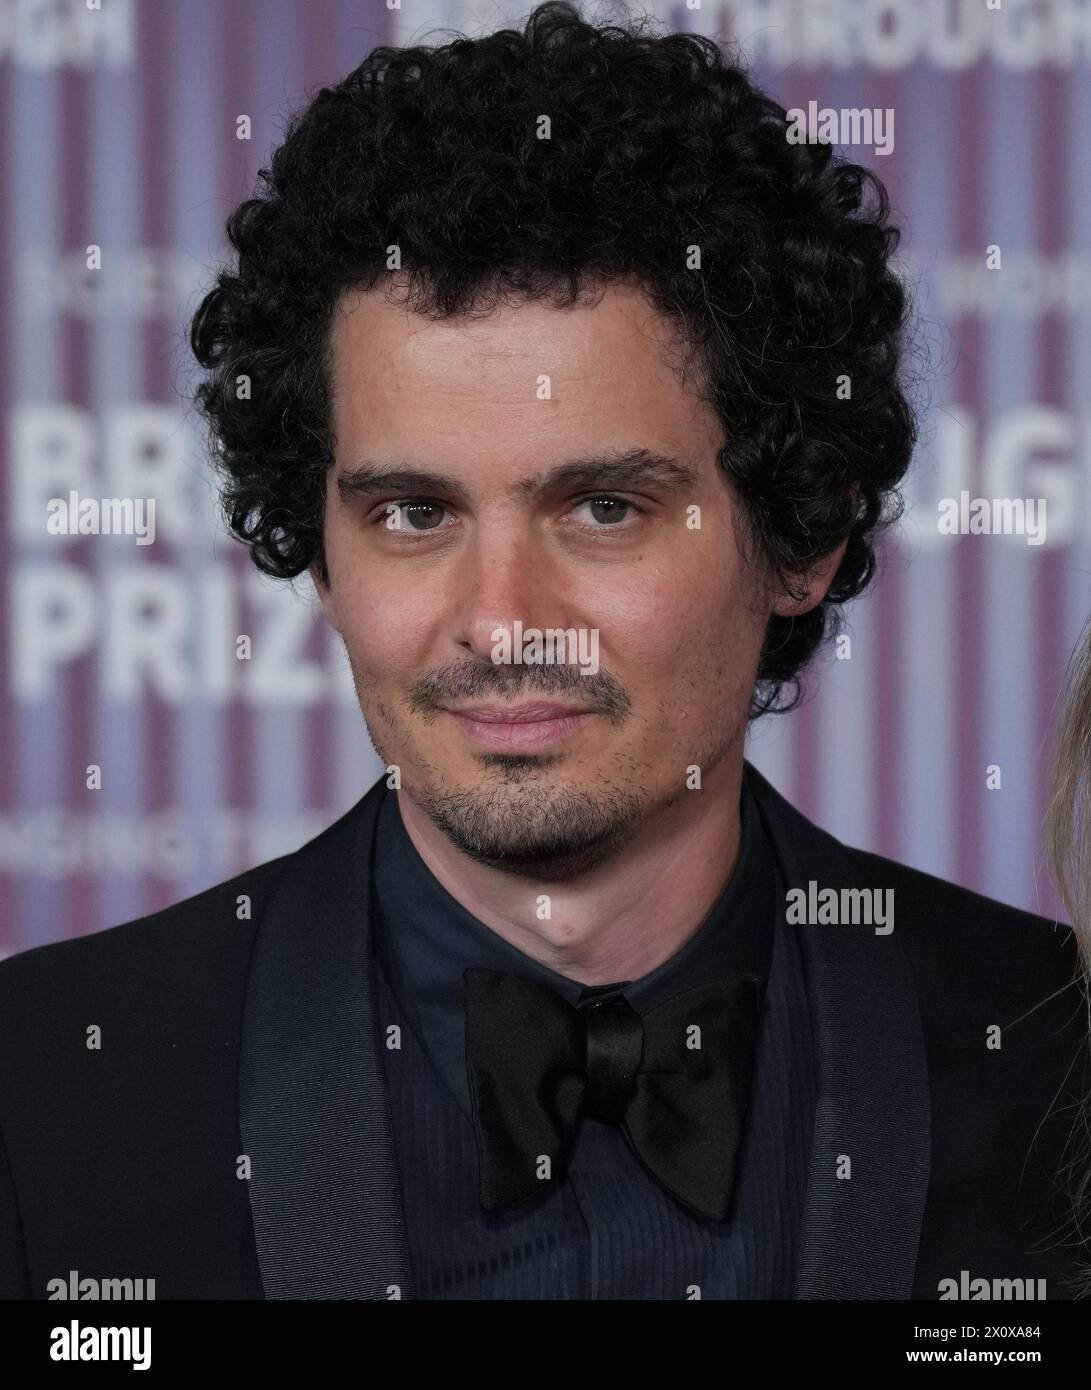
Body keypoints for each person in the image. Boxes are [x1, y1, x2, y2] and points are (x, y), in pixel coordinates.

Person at [1, 1, 1086, 1301]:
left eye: (604, 508)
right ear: (320, 542)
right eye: (414, 514)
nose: (501, 615)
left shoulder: (1055, 1053)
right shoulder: (44, 1089)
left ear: (801, 528)